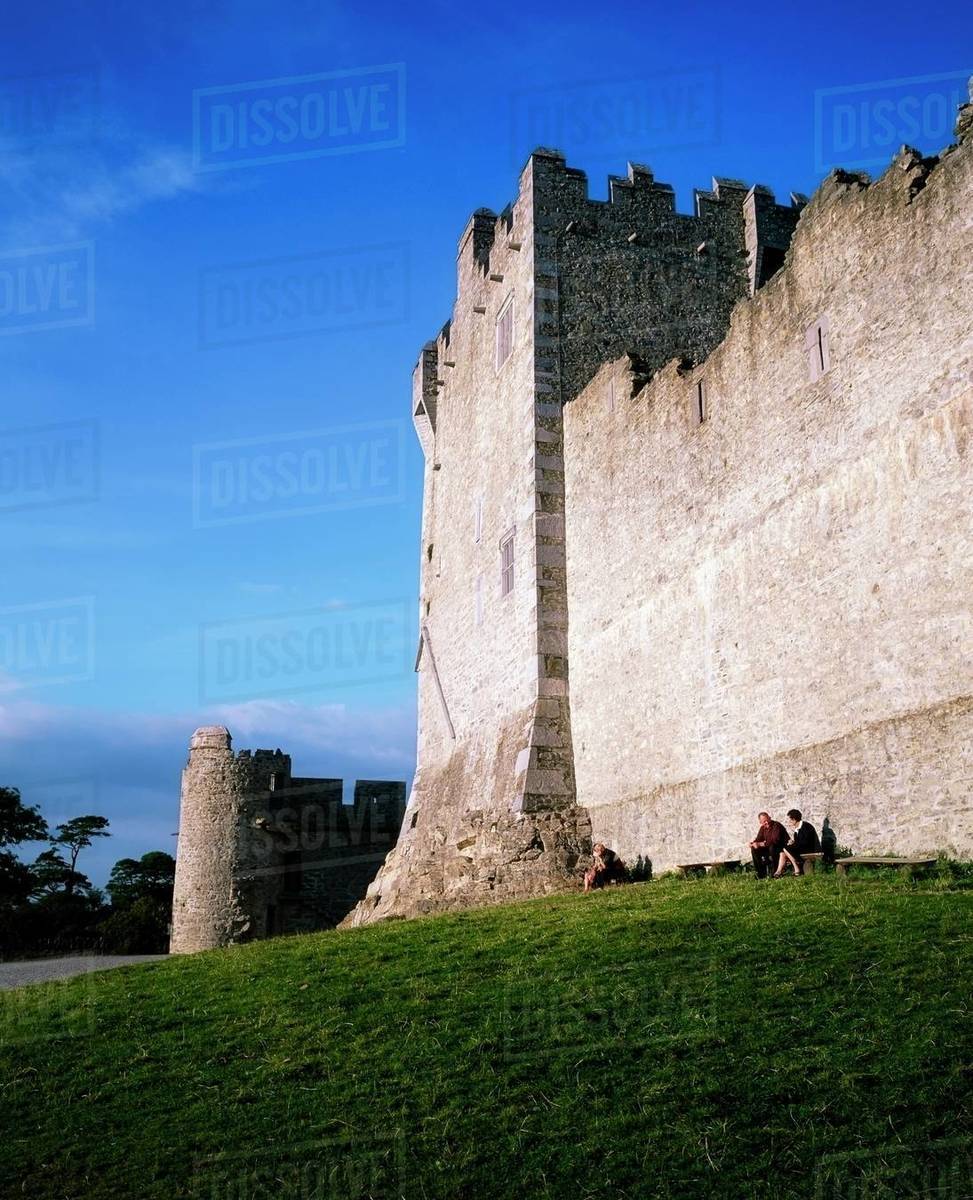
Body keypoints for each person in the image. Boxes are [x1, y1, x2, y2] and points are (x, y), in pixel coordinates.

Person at [773, 808, 821, 877]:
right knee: (782, 852)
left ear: (794, 819)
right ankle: (778, 871)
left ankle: (796, 868)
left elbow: (806, 843)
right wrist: (793, 843)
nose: (789, 821)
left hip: (811, 849)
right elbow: (799, 842)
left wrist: (793, 844)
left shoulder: (806, 826)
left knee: (785, 848)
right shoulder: (797, 829)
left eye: (790, 819)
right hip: (803, 848)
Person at [749, 811, 789, 879]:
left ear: (770, 818)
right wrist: (753, 843)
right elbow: (759, 839)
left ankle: (775, 872)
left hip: (781, 848)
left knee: (772, 847)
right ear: (760, 822)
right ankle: (760, 874)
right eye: (764, 821)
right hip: (770, 848)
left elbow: (775, 840)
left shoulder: (776, 825)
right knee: (754, 850)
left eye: (767, 820)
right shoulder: (763, 828)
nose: (766, 822)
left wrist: (760, 844)